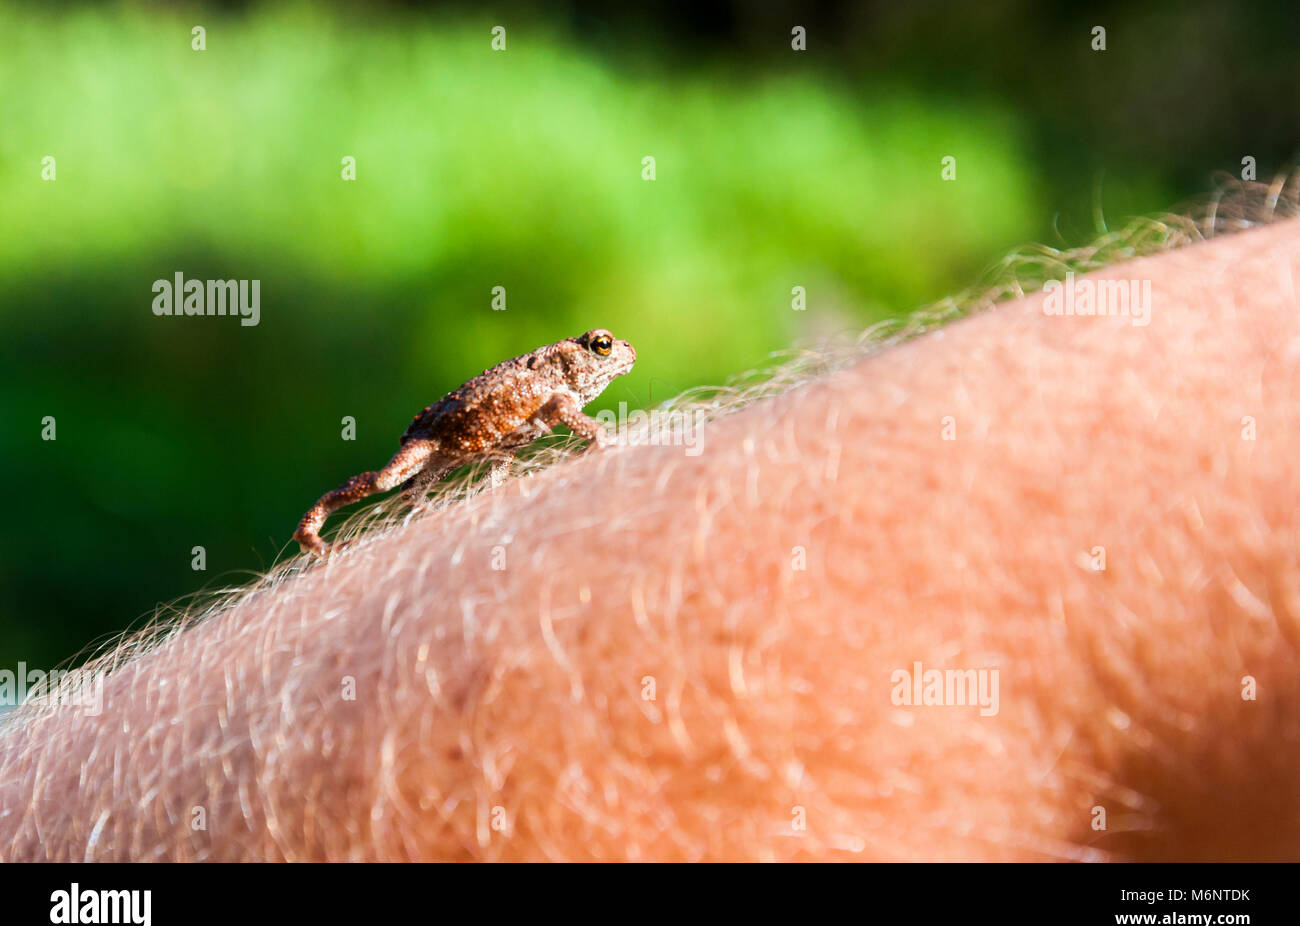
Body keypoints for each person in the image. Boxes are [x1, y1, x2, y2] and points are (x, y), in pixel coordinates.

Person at [4, 188, 1299, 861]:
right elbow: (519, 409)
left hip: (481, 420)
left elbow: (553, 406)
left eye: (602, 357)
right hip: (470, 421)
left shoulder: (567, 376)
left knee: (399, 474)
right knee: (391, 476)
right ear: (581, 356)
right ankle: (319, 522)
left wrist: (569, 423)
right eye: (598, 354)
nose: (604, 366)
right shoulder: (552, 382)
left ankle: (325, 517)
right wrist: (552, 430)